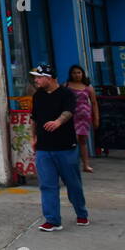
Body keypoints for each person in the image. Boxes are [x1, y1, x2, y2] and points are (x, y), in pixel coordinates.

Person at [30, 63, 88, 232]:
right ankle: (52, 220)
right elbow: (34, 118)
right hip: (43, 147)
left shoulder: (66, 93)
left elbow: (69, 112)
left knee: (73, 183)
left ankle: (81, 213)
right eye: (36, 77)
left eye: (39, 77)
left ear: (49, 78)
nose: (36, 80)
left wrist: (58, 122)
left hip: (65, 147)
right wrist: (33, 137)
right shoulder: (38, 96)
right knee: (47, 185)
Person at [66, 65, 100, 172]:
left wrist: (96, 118)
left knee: (83, 141)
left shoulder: (88, 87)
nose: (77, 75)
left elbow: (94, 104)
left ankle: (86, 165)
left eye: (79, 73)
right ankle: (71, 164)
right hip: (71, 117)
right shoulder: (66, 86)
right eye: (74, 73)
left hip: (84, 118)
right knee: (72, 141)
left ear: (82, 74)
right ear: (71, 74)